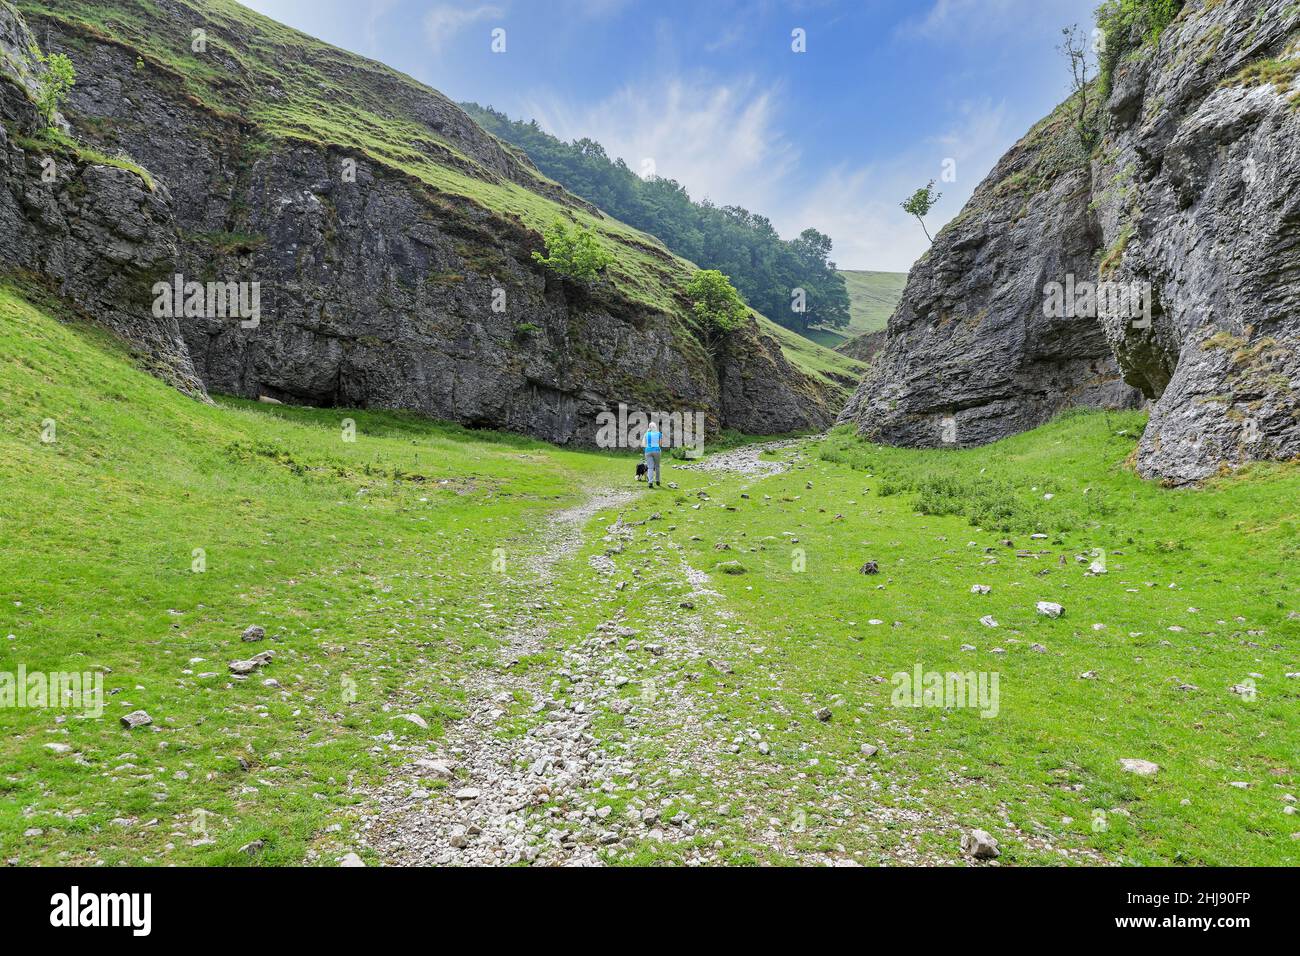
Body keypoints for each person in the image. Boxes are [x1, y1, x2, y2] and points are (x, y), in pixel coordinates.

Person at [643, 419, 662, 488]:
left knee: (650, 467)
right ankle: (657, 480)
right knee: (657, 466)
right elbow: (660, 444)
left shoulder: (646, 434)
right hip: (656, 450)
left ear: (649, 427)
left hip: (648, 451)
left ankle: (650, 482)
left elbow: (644, 444)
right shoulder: (659, 434)